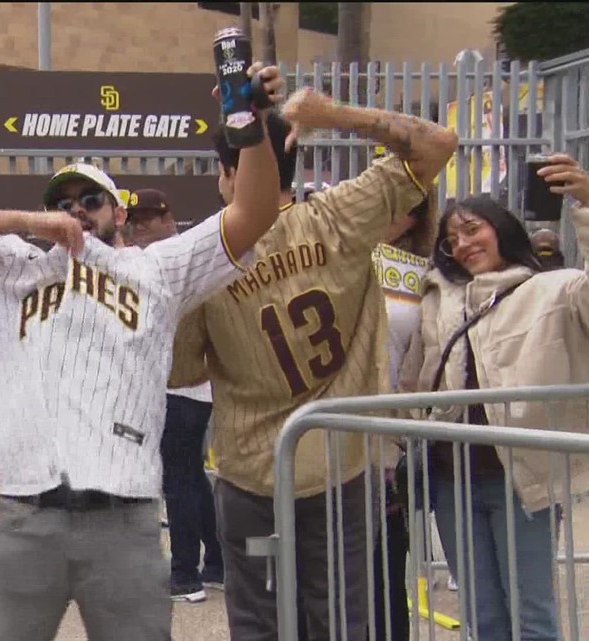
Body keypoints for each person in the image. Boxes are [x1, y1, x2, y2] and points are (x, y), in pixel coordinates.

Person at [0, 64, 287, 641]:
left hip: (124, 516)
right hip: (22, 516)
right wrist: (28, 220)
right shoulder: (13, 264)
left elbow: (254, 214)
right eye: (63, 201)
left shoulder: (154, 268)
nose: (77, 208)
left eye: (91, 198)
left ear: (118, 211)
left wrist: (250, 127)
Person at [168, 87, 458, 641]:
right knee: (339, 616)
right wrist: (329, 113)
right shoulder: (337, 213)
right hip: (337, 462)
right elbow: (438, 144)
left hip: (250, 471)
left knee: (257, 619)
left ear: (230, 171)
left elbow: (183, 371)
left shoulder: (206, 251)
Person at [414, 153, 589, 641]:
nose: (463, 245)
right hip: (452, 481)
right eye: (452, 240)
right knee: (482, 617)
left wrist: (586, 205)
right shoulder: (440, 297)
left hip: (519, 482)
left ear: (502, 228)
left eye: (473, 230)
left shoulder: (554, 288)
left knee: (531, 615)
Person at [126, 188, 225, 603]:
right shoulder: (173, 260)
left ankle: (185, 574)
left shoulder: (175, 264)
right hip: (188, 386)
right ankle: (217, 562)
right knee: (193, 477)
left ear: (167, 220)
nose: (141, 228)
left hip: (181, 386)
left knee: (178, 480)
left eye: (148, 220)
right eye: (137, 221)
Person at [371, 193, 440, 641]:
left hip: (387, 441)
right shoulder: (327, 248)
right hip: (320, 430)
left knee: (385, 571)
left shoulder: (431, 275)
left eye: (403, 204)